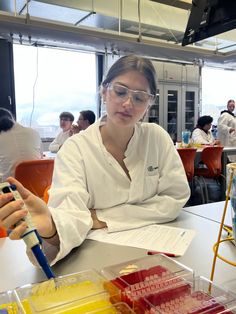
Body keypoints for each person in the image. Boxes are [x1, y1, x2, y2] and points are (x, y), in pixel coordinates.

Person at [0, 55, 190, 266]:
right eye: (120, 92)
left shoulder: (157, 137)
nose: (128, 103)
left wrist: (101, 217)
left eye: (139, 98)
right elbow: (72, 215)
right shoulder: (76, 149)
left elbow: (175, 199)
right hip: (100, 261)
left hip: (158, 255)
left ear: (149, 103)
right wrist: (52, 228)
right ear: (103, 92)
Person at [0, 108, 43, 182]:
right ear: (12, 119)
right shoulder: (34, 133)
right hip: (37, 185)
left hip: (10, 189)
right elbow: (41, 157)